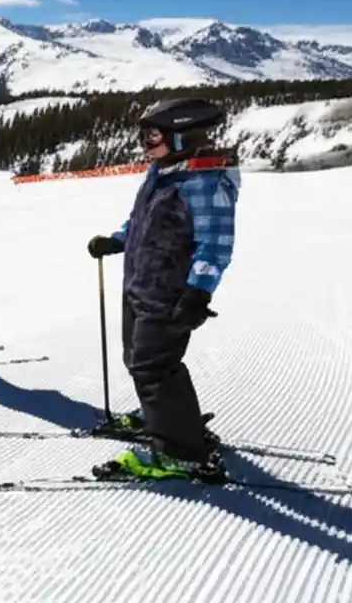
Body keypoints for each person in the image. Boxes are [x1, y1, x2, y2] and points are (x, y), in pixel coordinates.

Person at [86, 97, 240, 482]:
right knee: (138, 358)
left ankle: (181, 453)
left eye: (153, 135)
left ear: (181, 134)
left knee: (155, 366)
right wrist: (118, 239)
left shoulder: (204, 181)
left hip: (170, 293)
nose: (145, 143)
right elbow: (143, 221)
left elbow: (215, 244)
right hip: (139, 283)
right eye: (144, 134)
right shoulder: (164, 172)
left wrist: (198, 292)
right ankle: (169, 420)